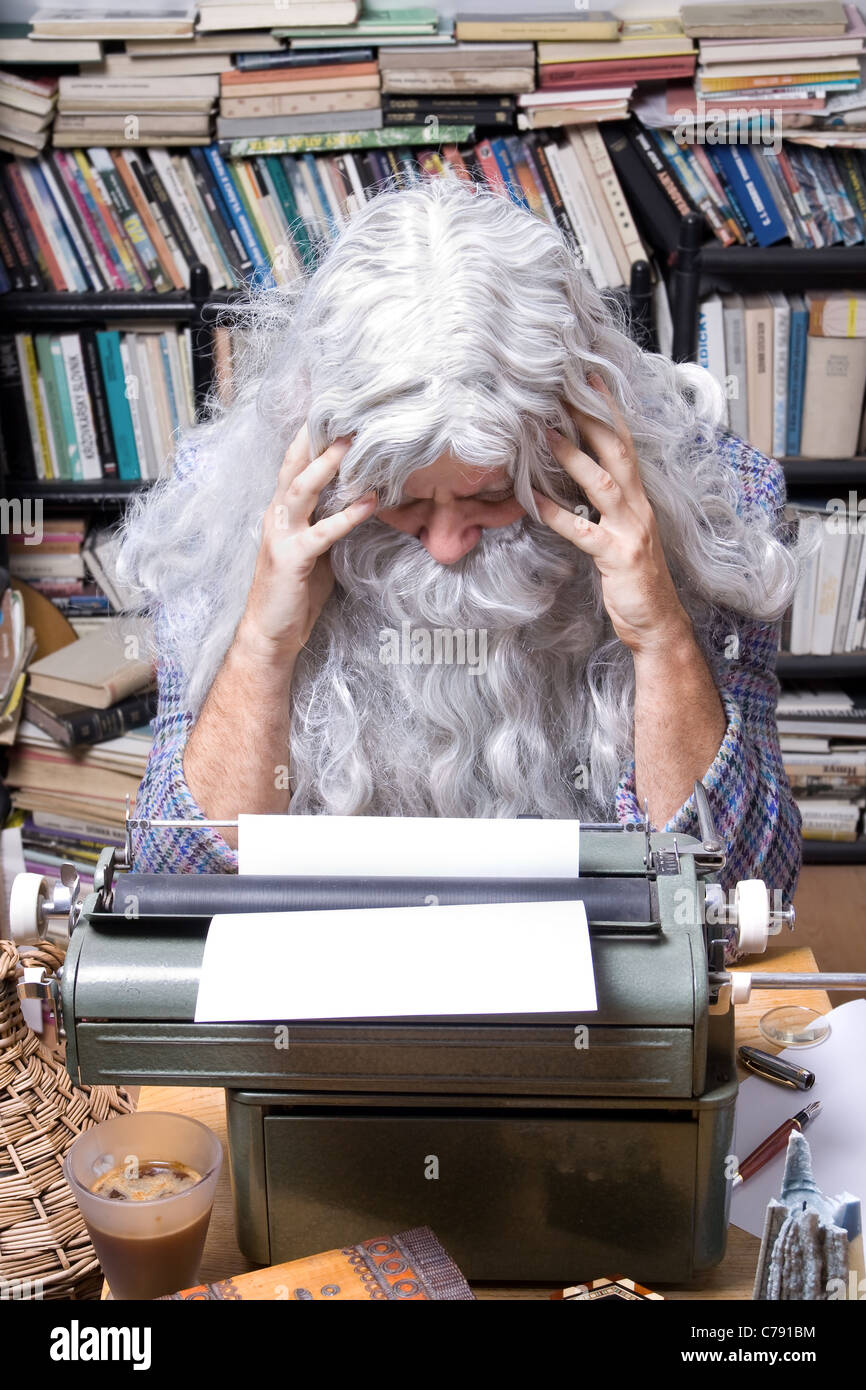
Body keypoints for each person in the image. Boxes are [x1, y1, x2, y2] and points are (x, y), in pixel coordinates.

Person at [117, 177, 802, 936]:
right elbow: (168, 897)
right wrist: (262, 643)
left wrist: (661, 630)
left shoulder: (724, 504)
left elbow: (748, 900)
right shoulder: (217, 508)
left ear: (575, 440)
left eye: (487, 498)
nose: (445, 547)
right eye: (403, 502)